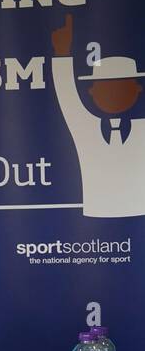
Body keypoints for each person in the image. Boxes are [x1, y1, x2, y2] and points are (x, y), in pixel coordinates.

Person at [51, 13, 145, 219]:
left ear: (137, 89)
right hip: (96, 215)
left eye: (122, 86)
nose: (113, 93)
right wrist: (62, 53)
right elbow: (68, 99)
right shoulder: (87, 129)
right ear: (92, 92)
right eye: (104, 87)